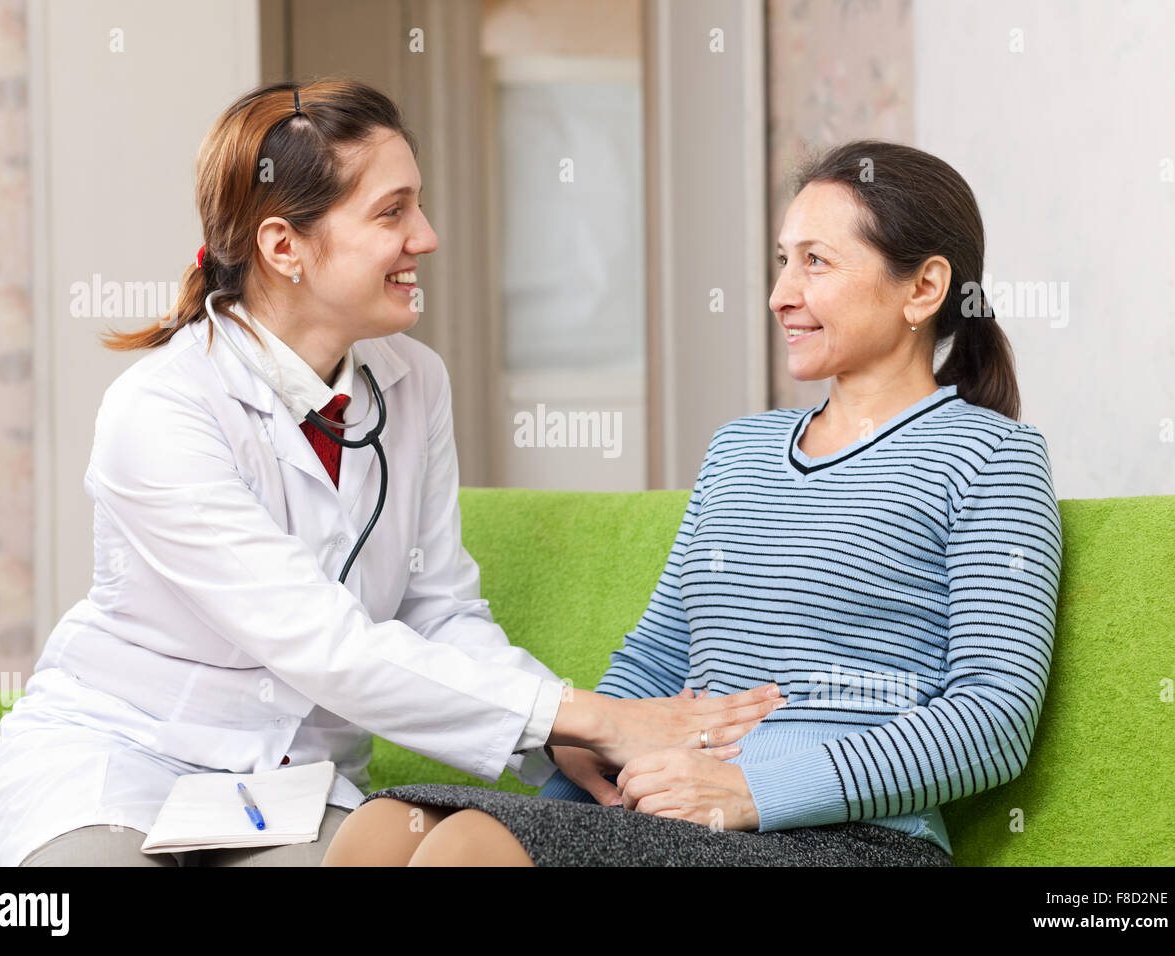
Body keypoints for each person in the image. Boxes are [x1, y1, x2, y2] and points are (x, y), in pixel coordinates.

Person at [0, 79, 782, 868]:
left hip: (285, 791)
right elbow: (321, 642)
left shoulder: (413, 380)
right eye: (392, 212)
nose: (424, 236)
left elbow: (438, 608)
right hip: (118, 760)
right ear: (285, 246)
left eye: (417, 205)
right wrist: (606, 717)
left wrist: (557, 738)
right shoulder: (161, 408)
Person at [324, 139, 1064, 867]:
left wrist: (752, 791)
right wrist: (591, 754)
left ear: (925, 289)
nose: (781, 295)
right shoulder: (740, 448)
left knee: (467, 852)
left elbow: (991, 719)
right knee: (386, 829)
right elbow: (660, 652)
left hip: (851, 837)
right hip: (675, 813)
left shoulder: (992, 457)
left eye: (817, 261)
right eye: (783, 260)